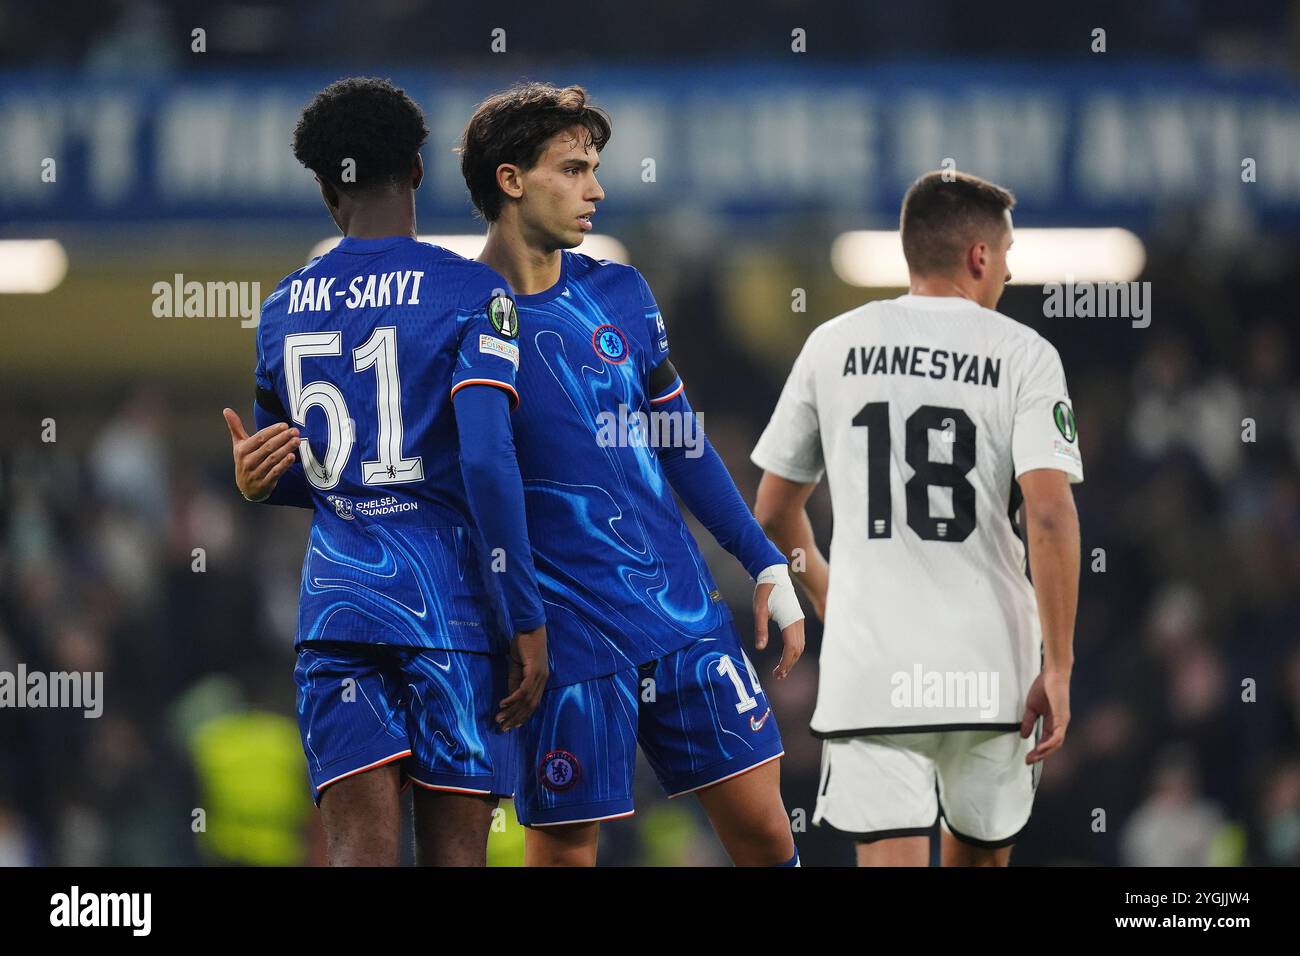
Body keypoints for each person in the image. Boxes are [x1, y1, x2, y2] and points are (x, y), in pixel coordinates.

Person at [458, 82, 805, 866]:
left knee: (766, 830)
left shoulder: (622, 292)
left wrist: (762, 560)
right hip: (566, 637)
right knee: (568, 850)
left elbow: (681, 442)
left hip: (682, 616)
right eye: (574, 169)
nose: (597, 188)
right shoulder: (462, 312)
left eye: (595, 167)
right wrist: (520, 617)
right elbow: (476, 469)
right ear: (511, 181)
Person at [222, 77, 547, 866]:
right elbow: (483, 459)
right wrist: (528, 617)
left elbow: (322, 468)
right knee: (458, 857)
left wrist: (258, 481)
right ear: (418, 172)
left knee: (358, 853)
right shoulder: (476, 293)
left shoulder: (283, 309)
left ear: (329, 190)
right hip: (454, 613)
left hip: (338, 611)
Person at [752, 170, 1082, 866]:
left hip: (874, 665)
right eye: (1009, 253)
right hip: (993, 664)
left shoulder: (833, 345)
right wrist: (1060, 663)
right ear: (980, 256)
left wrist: (824, 593)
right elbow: (1050, 516)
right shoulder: (1024, 354)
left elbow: (775, 509)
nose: (1010, 268)